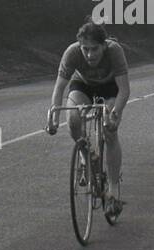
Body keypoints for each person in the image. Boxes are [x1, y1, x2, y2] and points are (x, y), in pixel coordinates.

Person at [47, 20, 129, 218]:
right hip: (82, 85)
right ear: (79, 46)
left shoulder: (114, 51)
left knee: (110, 130)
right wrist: (54, 117)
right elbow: (59, 89)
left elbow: (124, 90)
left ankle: (112, 189)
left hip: (110, 87)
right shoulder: (72, 52)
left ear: (104, 45)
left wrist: (115, 114)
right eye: (86, 49)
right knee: (73, 120)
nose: (90, 55)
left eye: (95, 49)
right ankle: (87, 156)